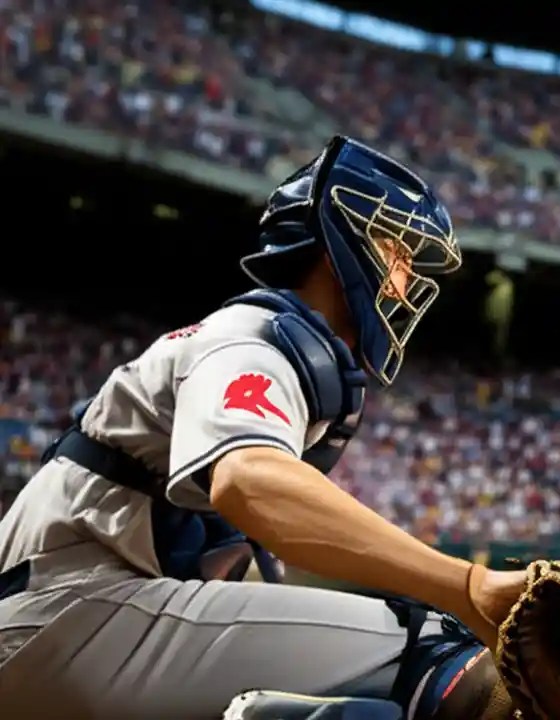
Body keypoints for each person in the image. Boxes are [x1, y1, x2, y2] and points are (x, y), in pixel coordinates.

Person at [0, 136, 527, 719]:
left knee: (318, 694)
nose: (405, 277)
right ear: (340, 246)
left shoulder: (282, 353)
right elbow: (250, 484)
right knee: (430, 652)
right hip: (67, 614)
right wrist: (465, 585)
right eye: (394, 248)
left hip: (71, 624)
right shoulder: (257, 337)